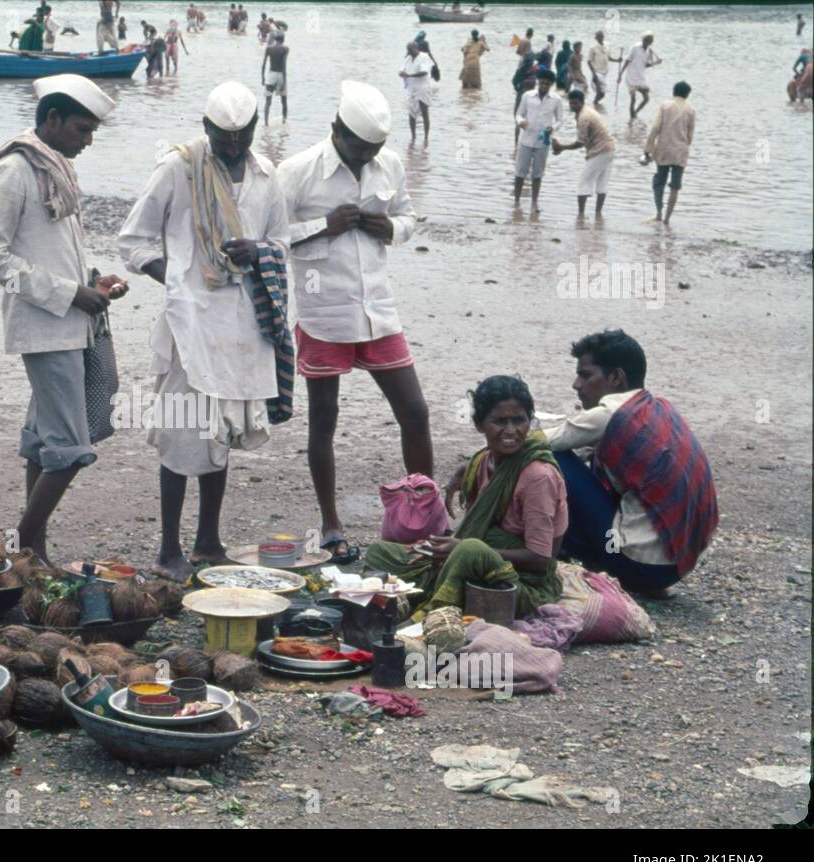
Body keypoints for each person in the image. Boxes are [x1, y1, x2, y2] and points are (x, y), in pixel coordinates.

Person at [117, 82, 292, 583]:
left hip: (243, 325)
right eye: (224, 136)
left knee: (223, 432)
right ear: (206, 128)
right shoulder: (178, 168)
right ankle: (168, 548)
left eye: (243, 135)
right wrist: (176, 277)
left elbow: (281, 241)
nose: (234, 146)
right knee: (180, 433)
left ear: (255, 129)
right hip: (190, 325)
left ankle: (208, 541)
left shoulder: (266, 175)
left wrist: (257, 251)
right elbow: (132, 239)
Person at [0, 75, 127, 565]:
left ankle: (34, 553)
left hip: (66, 323)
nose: (88, 140)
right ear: (52, 119)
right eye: (82, 129)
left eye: (93, 132)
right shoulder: (18, 170)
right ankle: (21, 545)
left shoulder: (53, 167)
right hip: (45, 329)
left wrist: (92, 285)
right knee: (70, 448)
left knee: (44, 444)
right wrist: (69, 294)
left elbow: (50, 252)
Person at [276, 81, 430, 564]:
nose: (366, 157)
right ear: (336, 131)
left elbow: (407, 216)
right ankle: (331, 524)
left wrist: (391, 228)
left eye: (374, 149)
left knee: (416, 412)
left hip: (379, 310)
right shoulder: (297, 171)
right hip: (324, 316)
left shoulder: (390, 164)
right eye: (358, 148)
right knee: (324, 421)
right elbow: (268, 237)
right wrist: (324, 225)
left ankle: (423, 517)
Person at [367, 376, 568, 622]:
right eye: (499, 421)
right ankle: (398, 601)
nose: (510, 431)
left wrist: (461, 550)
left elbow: (539, 559)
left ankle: (427, 614)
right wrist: (446, 548)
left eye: (519, 420)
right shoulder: (482, 462)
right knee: (380, 552)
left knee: (469, 549)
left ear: (530, 421)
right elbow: (478, 530)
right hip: (476, 564)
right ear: (479, 425)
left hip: (518, 584)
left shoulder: (538, 477)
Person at [543, 330, 717, 596]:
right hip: (673, 567)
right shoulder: (657, 408)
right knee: (577, 464)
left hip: (637, 567)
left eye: (586, 375)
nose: (576, 384)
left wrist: (476, 464)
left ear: (616, 377)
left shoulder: (611, 413)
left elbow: (534, 441)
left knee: (551, 458)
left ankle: (547, 561)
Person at [551, 89, 614, 218]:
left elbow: (580, 142)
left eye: (576, 103)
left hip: (600, 150)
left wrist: (562, 147)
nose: (573, 106)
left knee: (583, 182)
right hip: (609, 149)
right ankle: (598, 214)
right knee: (602, 183)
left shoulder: (584, 117)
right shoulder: (587, 111)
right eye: (571, 103)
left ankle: (581, 214)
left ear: (582, 102)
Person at [642, 80, 694, 224]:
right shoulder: (690, 110)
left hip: (664, 148)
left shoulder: (665, 106)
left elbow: (655, 128)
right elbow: (690, 137)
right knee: (675, 187)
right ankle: (667, 219)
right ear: (687, 95)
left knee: (659, 182)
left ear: (673, 92)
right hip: (680, 151)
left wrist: (648, 149)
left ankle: (658, 213)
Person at [513, 68, 561, 213]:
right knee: (520, 172)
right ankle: (516, 201)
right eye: (541, 83)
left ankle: (534, 202)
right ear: (538, 82)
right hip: (526, 139)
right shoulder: (528, 96)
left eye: (547, 84)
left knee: (537, 174)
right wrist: (521, 122)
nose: (543, 86)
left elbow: (560, 120)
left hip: (543, 142)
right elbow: (518, 114)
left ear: (551, 84)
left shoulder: (556, 100)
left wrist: (552, 128)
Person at [618, 32, 661, 121]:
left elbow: (646, 65)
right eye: (647, 40)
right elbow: (627, 61)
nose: (649, 42)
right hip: (631, 77)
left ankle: (635, 113)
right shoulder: (635, 47)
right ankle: (632, 118)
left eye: (650, 41)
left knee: (646, 98)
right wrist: (620, 74)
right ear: (644, 40)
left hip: (640, 78)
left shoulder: (649, 50)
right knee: (633, 99)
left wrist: (656, 62)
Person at [398, 40, 434, 146]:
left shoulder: (424, 57)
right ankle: (413, 137)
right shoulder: (408, 58)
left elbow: (424, 72)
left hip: (423, 88)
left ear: (416, 48)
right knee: (411, 113)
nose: (409, 52)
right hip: (412, 89)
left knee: (424, 112)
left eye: (411, 50)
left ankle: (426, 137)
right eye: (408, 50)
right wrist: (401, 73)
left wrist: (409, 75)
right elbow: (401, 69)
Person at [261, 31, 288, 122]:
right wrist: (284, 81)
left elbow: (264, 64)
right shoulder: (285, 49)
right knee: (283, 101)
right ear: (283, 39)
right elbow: (284, 66)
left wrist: (262, 78)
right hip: (280, 74)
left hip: (271, 75)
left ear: (275, 39)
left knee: (268, 101)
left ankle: (266, 122)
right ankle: (284, 121)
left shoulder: (269, 48)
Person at [588, 30, 619, 105]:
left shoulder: (607, 46)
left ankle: (594, 104)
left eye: (601, 36)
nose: (600, 38)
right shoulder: (593, 48)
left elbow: (609, 58)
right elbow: (589, 61)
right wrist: (593, 74)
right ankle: (594, 107)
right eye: (598, 36)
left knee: (602, 94)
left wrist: (617, 60)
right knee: (599, 92)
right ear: (596, 38)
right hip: (596, 72)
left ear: (603, 37)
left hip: (604, 73)